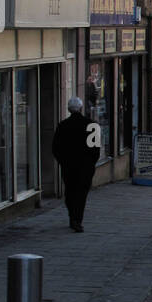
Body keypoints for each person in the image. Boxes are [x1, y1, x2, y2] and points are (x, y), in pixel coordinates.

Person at [51, 97, 100, 232]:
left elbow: (56, 148)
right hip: (85, 167)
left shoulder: (63, 125)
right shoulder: (92, 125)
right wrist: (90, 164)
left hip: (68, 166)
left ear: (68, 109)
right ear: (81, 108)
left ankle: (73, 216)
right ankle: (77, 219)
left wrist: (63, 161)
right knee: (81, 193)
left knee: (70, 191)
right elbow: (96, 150)